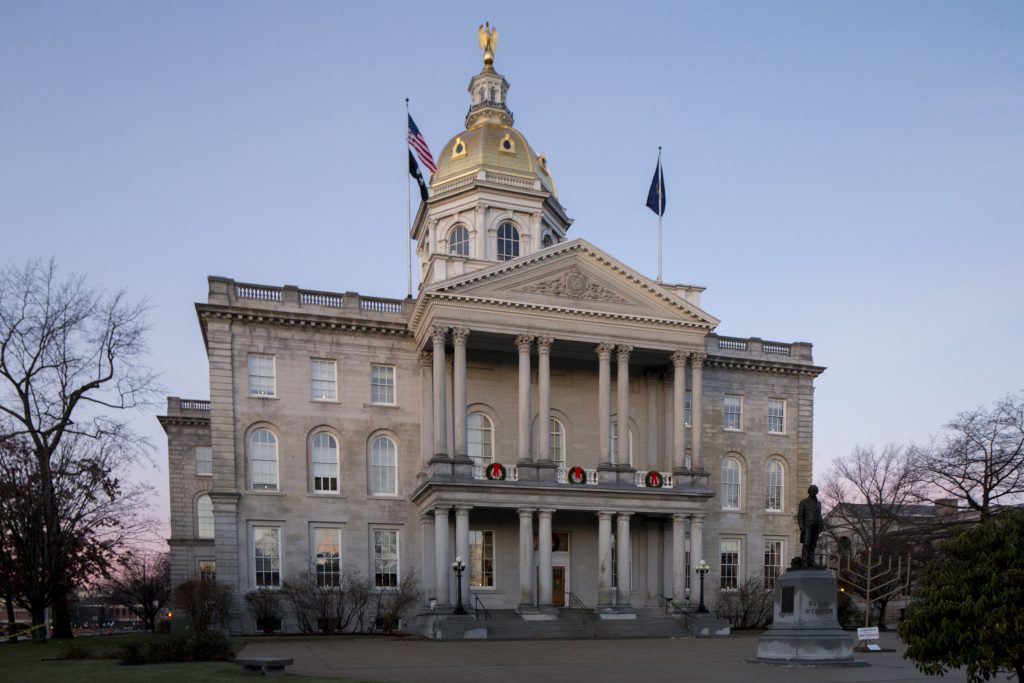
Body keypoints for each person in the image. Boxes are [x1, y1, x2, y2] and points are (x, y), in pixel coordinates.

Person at [798, 484, 823, 567]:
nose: (813, 492)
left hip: (817, 526)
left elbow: (820, 516)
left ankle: (811, 561)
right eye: (812, 491)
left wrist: (822, 526)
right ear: (809, 492)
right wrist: (802, 527)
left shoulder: (819, 503)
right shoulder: (804, 502)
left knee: (813, 544)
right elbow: (800, 516)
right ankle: (804, 561)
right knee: (806, 544)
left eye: (815, 491)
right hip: (807, 526)